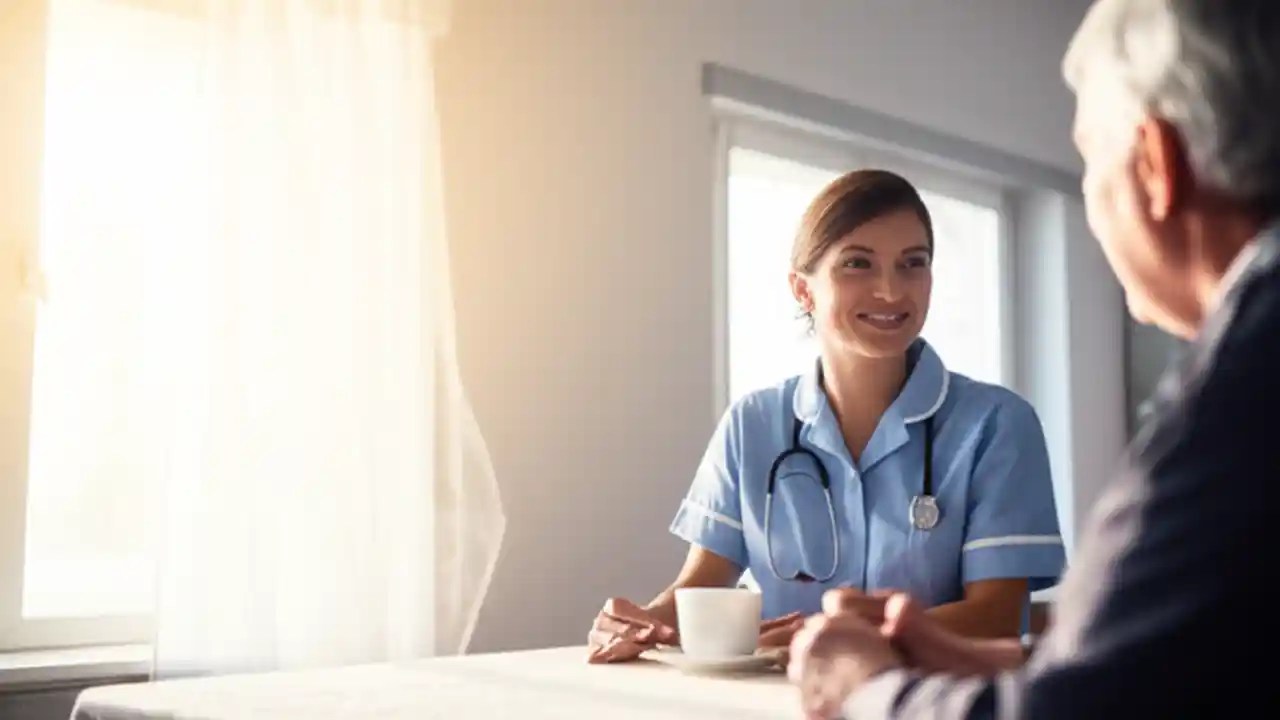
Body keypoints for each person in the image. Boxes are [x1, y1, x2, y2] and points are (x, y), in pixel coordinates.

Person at [786, 0, 1280, 717]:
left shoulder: (1243, 390)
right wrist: (1011, 664)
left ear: (1154, 165)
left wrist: (869, 692)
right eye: (857, 264)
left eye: (1087, 162)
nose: (889, 289)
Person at [587, 169, 1066, 664]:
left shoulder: (996, 424)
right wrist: (641, 623)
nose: (890, 289)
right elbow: (700, 588)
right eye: (858, 263)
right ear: (803, 290)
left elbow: (998, 615)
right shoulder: (752, 425)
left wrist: (826, 640)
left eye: (912, 263)